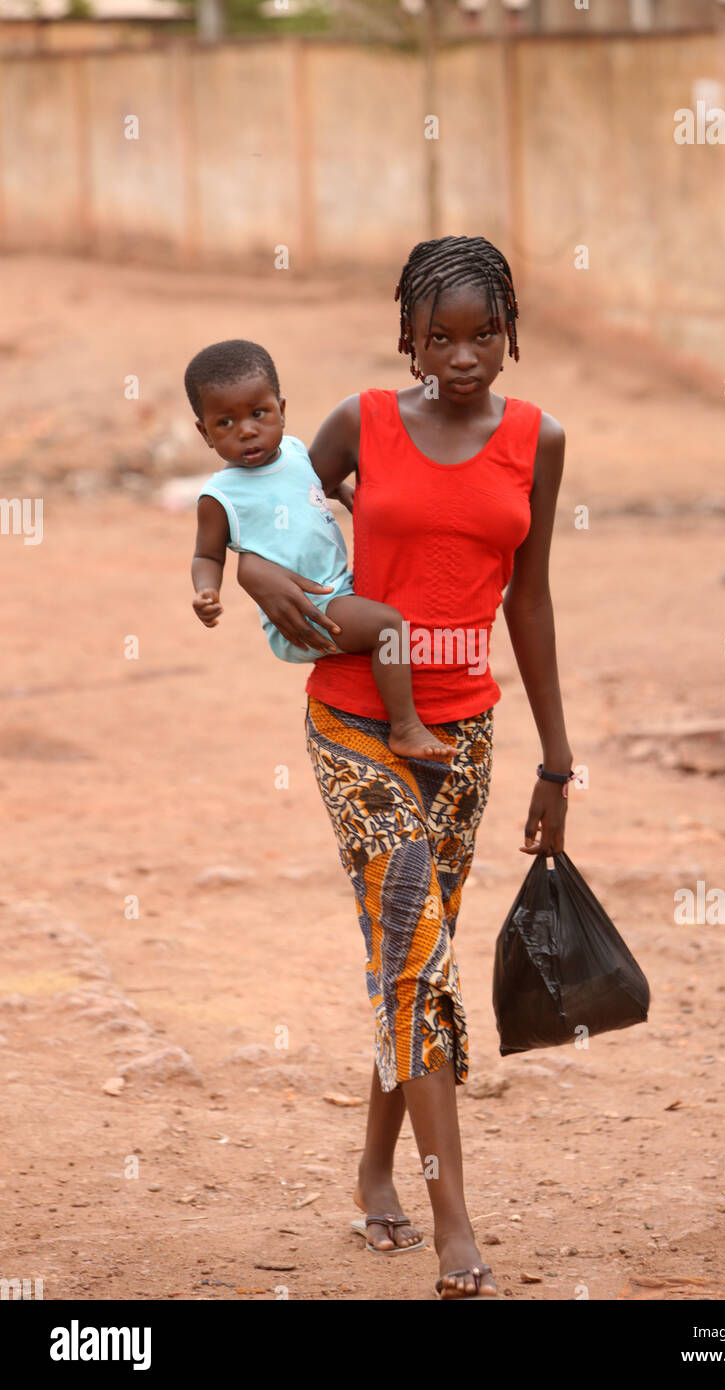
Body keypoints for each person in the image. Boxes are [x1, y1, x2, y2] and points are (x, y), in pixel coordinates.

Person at [236, 235, 573, 1299]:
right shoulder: (361, 423)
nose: (460, 357)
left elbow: (529, 596)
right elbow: (269, 502)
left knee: (412, 959)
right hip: (353, 722)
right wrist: (254, 570)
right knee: (415, 948)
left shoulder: (537, 438)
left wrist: (557, 764)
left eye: (480, 335)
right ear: (409, 337)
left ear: (507, 330)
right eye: (438, 337)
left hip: (464, 734)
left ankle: (376, 1163)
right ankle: (453, 1225)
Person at [186, 338, 454, 762]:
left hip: (335, 588)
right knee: (389, 625)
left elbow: (309, 485)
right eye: (225, 423)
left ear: (282, 409)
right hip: (305, 609)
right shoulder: (220, 496)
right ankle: (405, 727)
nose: (247, 430)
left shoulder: (294, 452)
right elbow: (208, 555)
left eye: (259, 414)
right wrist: (207, 593)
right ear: (204, 432)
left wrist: (341, 490)